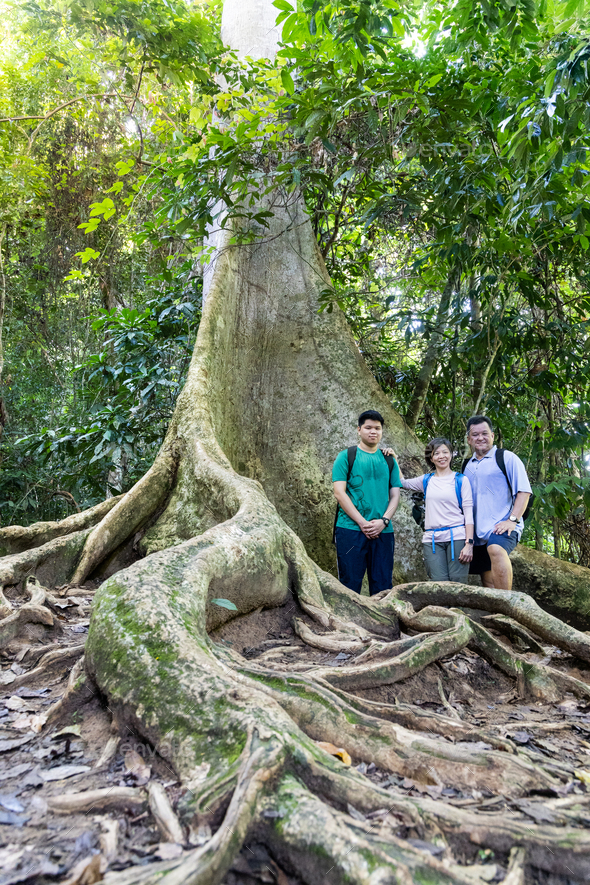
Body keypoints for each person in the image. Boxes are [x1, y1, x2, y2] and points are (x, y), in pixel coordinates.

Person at [332, 410, 402, 596]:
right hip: (350, 529)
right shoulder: (346, 456)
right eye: (368, 427)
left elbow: (395, 495)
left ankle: (381, 624)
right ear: (359, 429)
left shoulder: (389, 460)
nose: (373, 432)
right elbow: (339, 493)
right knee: (349, 583)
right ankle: (348, 624)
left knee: (383, 585)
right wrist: (362, 522)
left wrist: (384, 521)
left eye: (377, 428)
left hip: (383, 531)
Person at [463, 415, 532, 591]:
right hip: (477, 530)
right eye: (475, 434)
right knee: (487, 577)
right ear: (469, 439)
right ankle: (493, 615)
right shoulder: (467, 465)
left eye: (485, 433)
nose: (480, 438)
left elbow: (524, 491)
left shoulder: (506, 458)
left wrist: (512, 520)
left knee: (495, 549)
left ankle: (506, 607)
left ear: (492, 436)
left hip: (503, 524)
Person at [399, 438, 474, 581]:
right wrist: (393, 459)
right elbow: (403, 483)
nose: (442, 456)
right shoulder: (426, 480)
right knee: (438, 587)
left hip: (456, 537)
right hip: (432, 539)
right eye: (436, 453)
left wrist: (469, 544)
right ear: (431, 458)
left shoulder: (461, 480)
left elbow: (469, 514)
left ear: (451, 454)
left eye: (445, 452)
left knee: (458, 587)